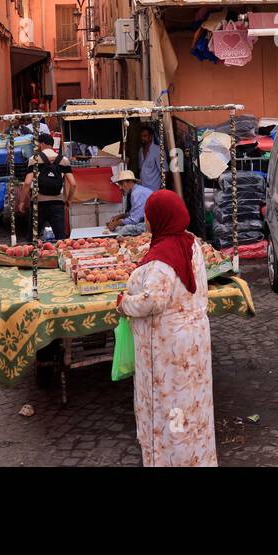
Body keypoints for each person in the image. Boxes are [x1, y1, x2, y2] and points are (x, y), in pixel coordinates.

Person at [116, 189, 217, 466]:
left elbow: (152, 302)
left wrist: (124, 303)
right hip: (193, 340)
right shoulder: (191, 243)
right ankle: (197, 458)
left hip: (168, 348)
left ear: (159, 217)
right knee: (192, 404)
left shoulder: (162, 258)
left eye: (149, 213)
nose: (146, 218)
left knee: (172, 406)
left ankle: (173, 460)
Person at [22, 133, 75, 243]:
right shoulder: (63, 160)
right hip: (57, 203)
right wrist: (69, 200)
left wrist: (22, 201)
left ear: (42, 144)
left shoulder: (34, 159)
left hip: (38, 203)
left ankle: (33, 259)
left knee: (32, 239)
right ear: (51, 144)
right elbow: (73, 184)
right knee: (61, 239)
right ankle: (62, 259)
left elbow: (27, 183)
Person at [109, 168, 153, 236]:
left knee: (126, 229)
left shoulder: (137, 193)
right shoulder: (136, 191)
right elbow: (135, 213)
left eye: (121, 183)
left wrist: (117, 223)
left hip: (156, 224)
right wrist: (122, 216)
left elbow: (134, 220)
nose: (120, 187)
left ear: (129, 182)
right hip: (151, 222)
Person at [137, 126, 162, 192]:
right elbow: (141, 169)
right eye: (141, 136)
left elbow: (164, 172)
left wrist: (161, 189)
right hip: (143, 188)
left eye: (145, 136)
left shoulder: (158, 151)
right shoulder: (140, 151)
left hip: (154, 189)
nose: (142, 138)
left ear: (151, 137)